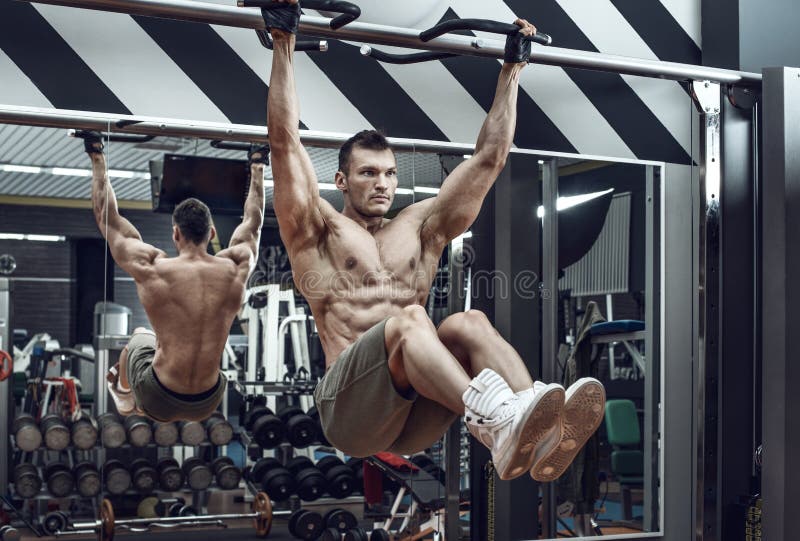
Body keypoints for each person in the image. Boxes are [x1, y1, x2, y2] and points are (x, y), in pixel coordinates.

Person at [262, 1, 605, 481]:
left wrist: (512, 70)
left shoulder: (421, 227)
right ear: (341, 180)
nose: (382, 183)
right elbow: (284, 143)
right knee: (410, 320)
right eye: (367, 173)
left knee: (469, 322)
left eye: (389, 173)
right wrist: (283, 43)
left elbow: (489, 158)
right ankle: (496, 421)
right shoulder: (316, 228)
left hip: (414, 414)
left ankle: (531, 427)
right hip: (349, 411)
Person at [84, 133, 267, 422]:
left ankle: (122, 396)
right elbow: (253, 222)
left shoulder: (153, 268)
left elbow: (107, 218)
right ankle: (127, 393)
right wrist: (258, 166)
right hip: (209, 401)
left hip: (158, 397)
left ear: (175, 234)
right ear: (212, 234)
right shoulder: (235, 267)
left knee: (139, 336)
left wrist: (97, 157)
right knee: (152, 341)